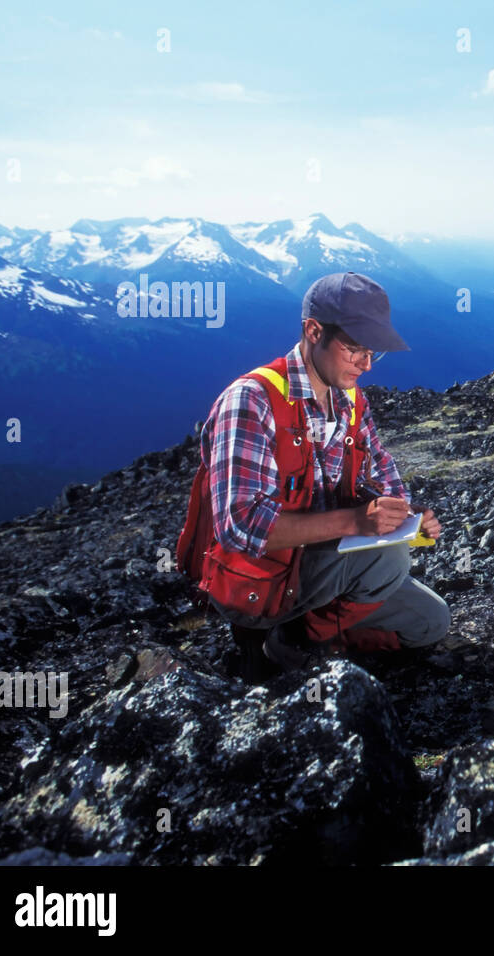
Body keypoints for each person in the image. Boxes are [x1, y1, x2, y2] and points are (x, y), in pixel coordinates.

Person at [192, 271, 450, 675]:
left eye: (373, 352)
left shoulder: (349, 398)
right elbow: (239, 526)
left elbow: (380, 473)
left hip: (324, 570)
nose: (366, 364)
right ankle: (286, 643)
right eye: (355, 349)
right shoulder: (250, 401)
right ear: (314, 331)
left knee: (432, 621)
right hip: (259, 583)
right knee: (387, 557)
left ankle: (304, 632)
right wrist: (357, 521)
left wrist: (409, 514)